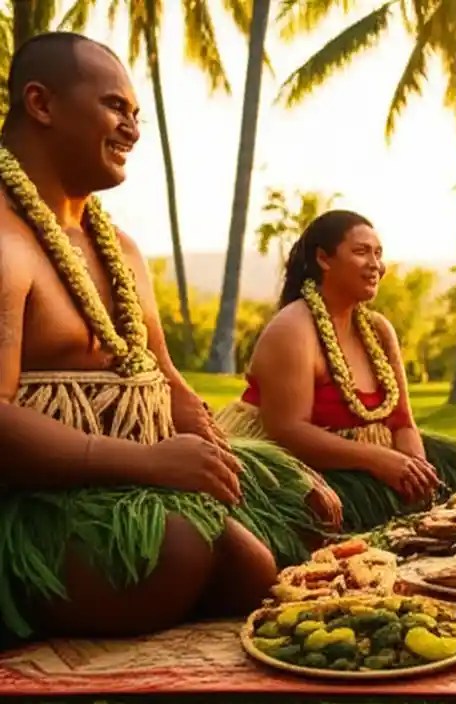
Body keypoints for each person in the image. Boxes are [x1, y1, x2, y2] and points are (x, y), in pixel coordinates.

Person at [0, 32, 311, 640]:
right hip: (35, 496)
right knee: (174, 550)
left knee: (298, 509)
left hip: (134, 479)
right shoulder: (5, 243)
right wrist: (145, 463)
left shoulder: (121, 250)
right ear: (41, 104)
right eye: (115, 106)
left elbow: (162, 378)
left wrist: (223, 459)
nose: (133, 129)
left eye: (138, 114)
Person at [216, 210, 456, 532]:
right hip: (291, 462)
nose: (375, 264)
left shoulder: (377, 329)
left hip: (360, 453)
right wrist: (379, 460)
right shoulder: (293, 328)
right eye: (361, 252)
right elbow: (289, 431)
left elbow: (401, 422)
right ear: (323, 259)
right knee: (352, 506)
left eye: (378, 253)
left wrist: (417, 469)